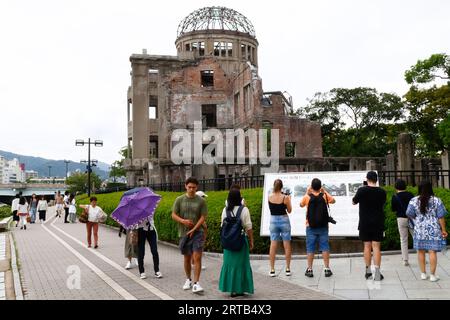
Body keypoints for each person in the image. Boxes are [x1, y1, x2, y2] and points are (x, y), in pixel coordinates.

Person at [406, 180, 448, 282]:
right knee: (432, 251)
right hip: (433, 229)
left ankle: (423, 274)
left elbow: (409, 213)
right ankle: (433, 276)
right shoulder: (437, 200)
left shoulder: (413, 200)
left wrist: (417, 220)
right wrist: (443, 230)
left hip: (419, 229)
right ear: (430, 188)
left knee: (420, 251)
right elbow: (441, 217)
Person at [171, 177, 207, 293]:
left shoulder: (201, 201)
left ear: (197, 188)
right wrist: (183, 221)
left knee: (197, 257)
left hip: (198, 233)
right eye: (190, 187)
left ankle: (197, 283)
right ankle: (188, 279)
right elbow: (173, 214)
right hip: (184, 233)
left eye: (194, 187)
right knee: (187, 257)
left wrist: (195, 228)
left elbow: (203, 217)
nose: (191, 189)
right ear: (185, 186)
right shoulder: (179, 199)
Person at [219, 188, 254, 297]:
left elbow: (222, 226)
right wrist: (251, 240)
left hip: (228, 243)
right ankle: (240, 289)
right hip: (240, 241)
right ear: (240, 197)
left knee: (229, 264)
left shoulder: (225, 210)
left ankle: (231, 289)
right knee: (241, 265)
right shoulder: (244, 210)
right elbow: (248, 227)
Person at [352, 171, 386, 281]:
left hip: (365, 222)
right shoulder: (382, 192)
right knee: (376, 247)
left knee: (367, 246)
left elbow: (354, 202)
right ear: (376, 180)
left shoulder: (362, 190)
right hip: (378, 222)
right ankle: (377, 272)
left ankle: (368, 272)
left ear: (367, 179)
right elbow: (383, 203)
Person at [300, 178, 336, 278]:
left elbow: (301, 204)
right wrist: (324, 191)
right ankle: (327, 269)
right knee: (325, 246)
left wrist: (307, 192)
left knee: (310, 248)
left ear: (311, 187)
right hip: (323, 226)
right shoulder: (324, 195)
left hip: (310, 226)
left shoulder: (307, 197)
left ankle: (310, 269)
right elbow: (333, 201)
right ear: (320, 187)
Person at [268, 179, 292, 277]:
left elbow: (271, 209)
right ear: (281, 187)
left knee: (273, 244)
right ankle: (287, 268)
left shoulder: (269, 197)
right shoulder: (285, 197)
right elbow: (289, 210)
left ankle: (272, 269)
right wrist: (289, 199)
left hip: (273, 220)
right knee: (286, 244)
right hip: (284, 219)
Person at [391, 179, 415, 266]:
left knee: (403, 239)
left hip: (401, 218)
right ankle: (422, 256)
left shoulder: (395, 196)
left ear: (396, 187)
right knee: (416, 237)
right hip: (412, 218)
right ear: (405, 186)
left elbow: (393, 209)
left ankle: (405, 260)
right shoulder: (411, 195)